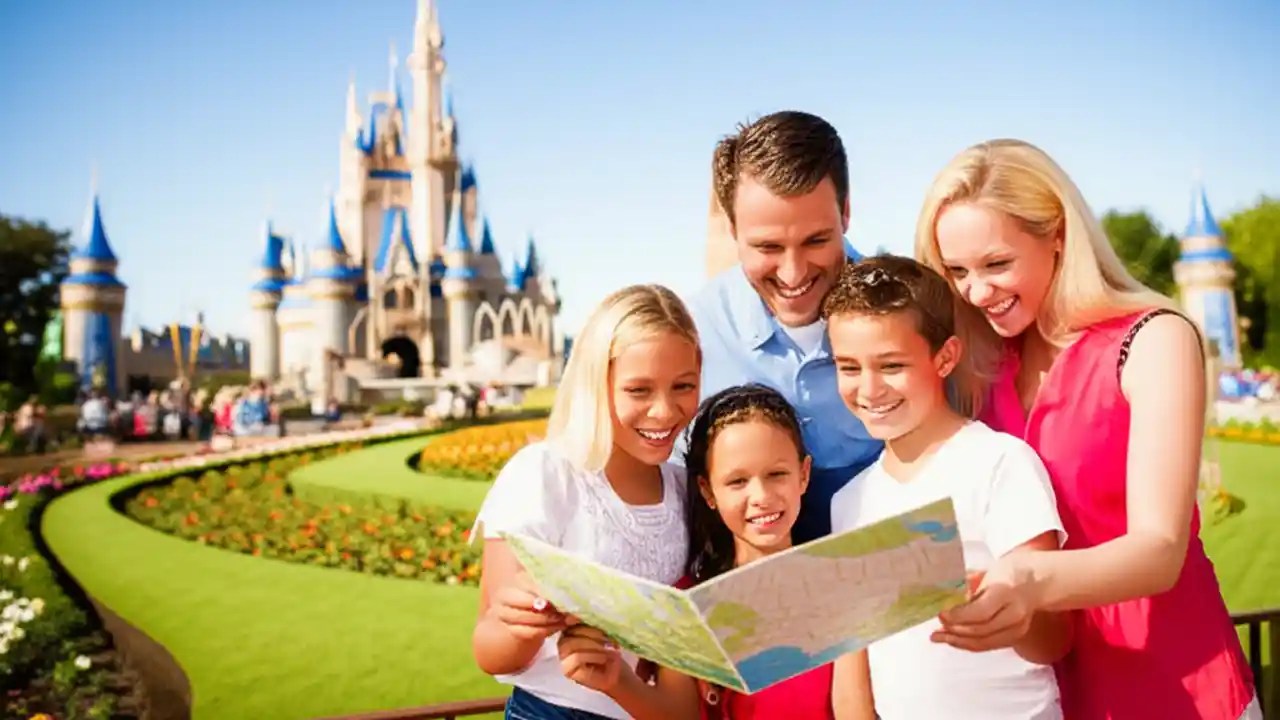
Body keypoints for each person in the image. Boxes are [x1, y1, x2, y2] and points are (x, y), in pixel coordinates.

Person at [915, 139, 1258, 720]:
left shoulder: (1152, 340)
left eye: (997, 264)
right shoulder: (981, 369)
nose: (975, 292)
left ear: (1058, 235)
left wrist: (1026, 577)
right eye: (957, 271)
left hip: (1178, 685)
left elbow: (1159, 551)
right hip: (1047, 694)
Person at [825, 255, 1069, 719]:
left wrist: (1007, 609)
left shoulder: (999, 464)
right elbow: (852, 667)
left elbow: (1054, 640)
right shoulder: (850, 502)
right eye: (849, 367)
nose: (869, 389)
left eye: (891, 365)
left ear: (945, 357)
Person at [471, 284, 703, 720]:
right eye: (638, 390)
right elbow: (490, 651)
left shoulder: (686, 489)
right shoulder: (543, 474)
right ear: (596, 384)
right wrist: (521, 625)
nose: (664, 410)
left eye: (683, 386)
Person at [685, 110, 879, 543]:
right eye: (768, 247)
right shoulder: (693, 334)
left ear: (845, 213)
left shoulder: (907, 314)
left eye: (815, 241)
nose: (793, 275)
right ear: (733, 230)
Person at [675, 383, 875, 719]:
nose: (762, 496)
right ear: (708, 491)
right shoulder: (688, 605)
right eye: (738, 481)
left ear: (804, 475)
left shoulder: (842, 592)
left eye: (777, 474)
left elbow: (854, 711)